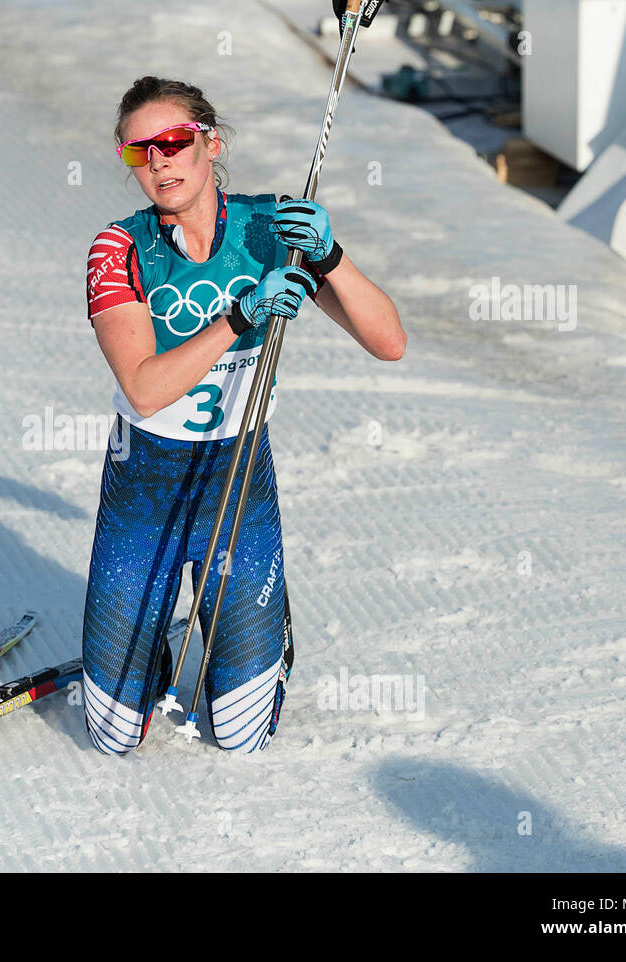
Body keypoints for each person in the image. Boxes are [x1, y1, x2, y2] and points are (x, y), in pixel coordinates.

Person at [81, 76, 405, 755]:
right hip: (146, 481)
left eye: (173, 142)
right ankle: (148, 656)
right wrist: (240, 315)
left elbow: (388, 342)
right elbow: (144, 389)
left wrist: (329, 256)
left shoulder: (270, 229)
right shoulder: (118, 250)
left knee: (241, 735)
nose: (160, 162)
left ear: (210, 143)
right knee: (111, 736)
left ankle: (265, 634)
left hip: (238, 474)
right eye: (139, 152)